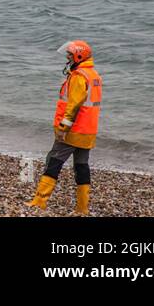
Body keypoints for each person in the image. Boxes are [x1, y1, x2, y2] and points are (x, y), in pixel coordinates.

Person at [27, 39, 102, 215]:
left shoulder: (78, 77)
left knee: (54, 161)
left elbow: (73, 106)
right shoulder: (94, 76)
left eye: (69, 54)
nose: (67, 57)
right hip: (88, 131)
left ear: (78, 56)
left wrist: (63, 127)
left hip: (73, 131)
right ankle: (82, 208)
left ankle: (39, 201)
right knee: (81, 166)